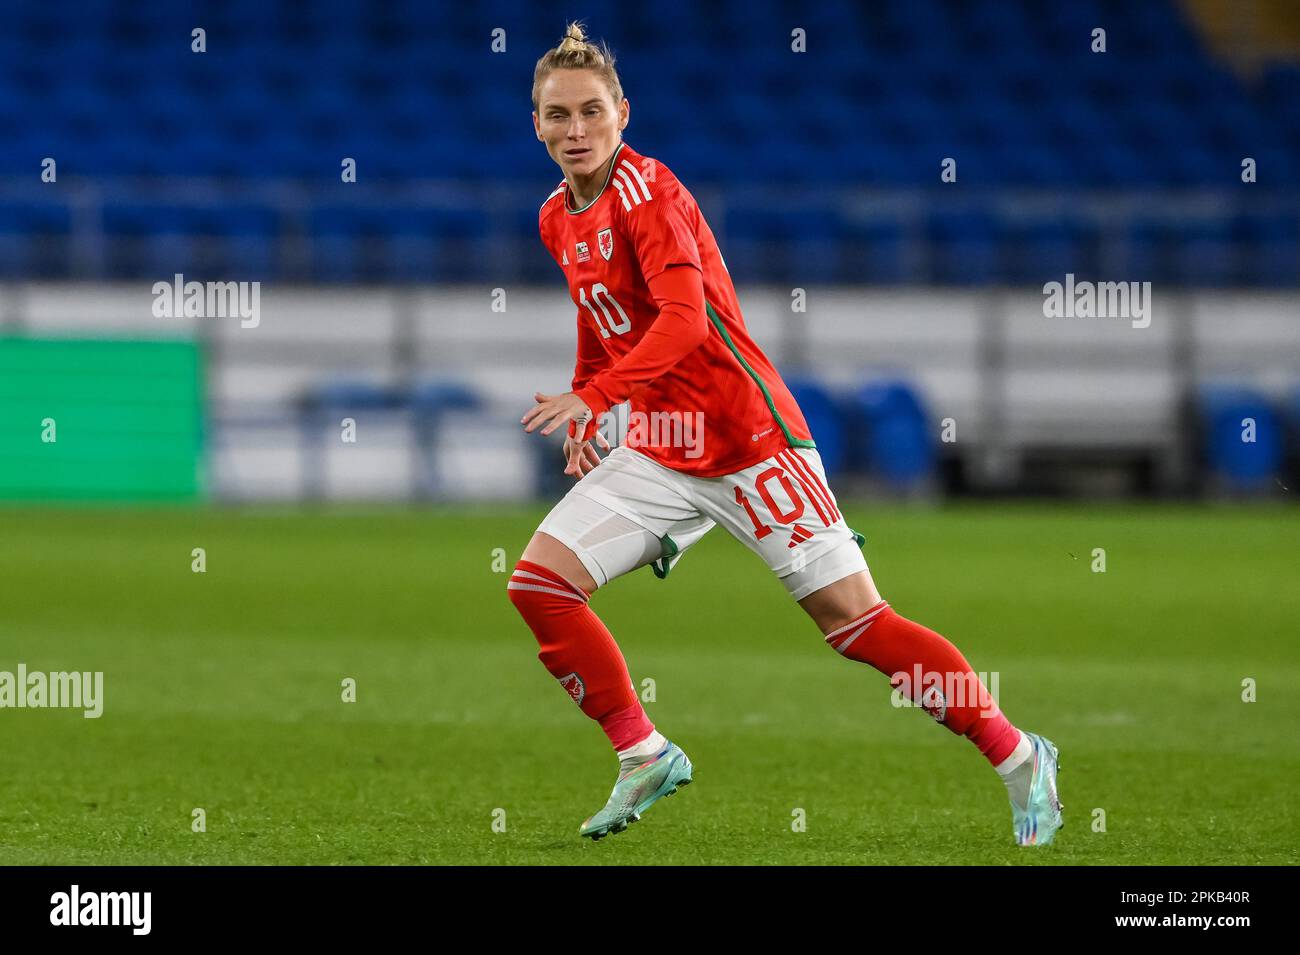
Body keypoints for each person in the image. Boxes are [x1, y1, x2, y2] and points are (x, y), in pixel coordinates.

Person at [509, 21, 1062, 846]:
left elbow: (687, 324)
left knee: (858, 625)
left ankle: (1019, 754)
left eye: (592, 111)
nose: (576, 130)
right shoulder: (558, 215)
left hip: (748, 438)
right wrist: (597, 409)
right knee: (539, 585)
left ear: (624, 112)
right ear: (537, 123)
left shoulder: (652, 196)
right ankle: (644, 750)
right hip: (660, 444)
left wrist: (594, 396)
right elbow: (602, 321)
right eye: (559, 115)